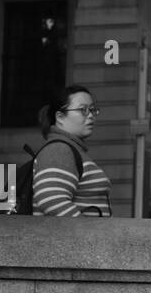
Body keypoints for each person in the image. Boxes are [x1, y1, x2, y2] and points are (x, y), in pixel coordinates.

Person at [32, 85, 112, 217]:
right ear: (60, 117)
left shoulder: (70, 149)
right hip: (70, 237)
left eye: (92, 110)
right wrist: (87, 235)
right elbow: (51, 199)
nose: (91, 115)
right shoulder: (58, 150)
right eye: (83, 110)